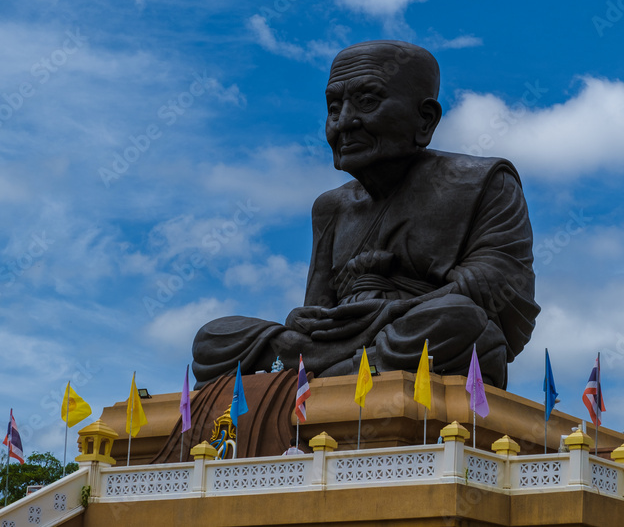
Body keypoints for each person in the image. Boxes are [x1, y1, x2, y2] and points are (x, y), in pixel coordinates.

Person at [192, 40, 539, 389]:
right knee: (213, 340)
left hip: (418, 332)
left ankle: (314, 376)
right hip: (346, 342)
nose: (343, 123)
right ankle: (342, 372)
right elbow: (318, 313)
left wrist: (384, 312)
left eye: (367, 102)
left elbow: (499, 294)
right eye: (332, 108)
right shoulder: (330, 207)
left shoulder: (483, 181)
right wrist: (305, 321)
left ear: (425, 119)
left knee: (462, 322)